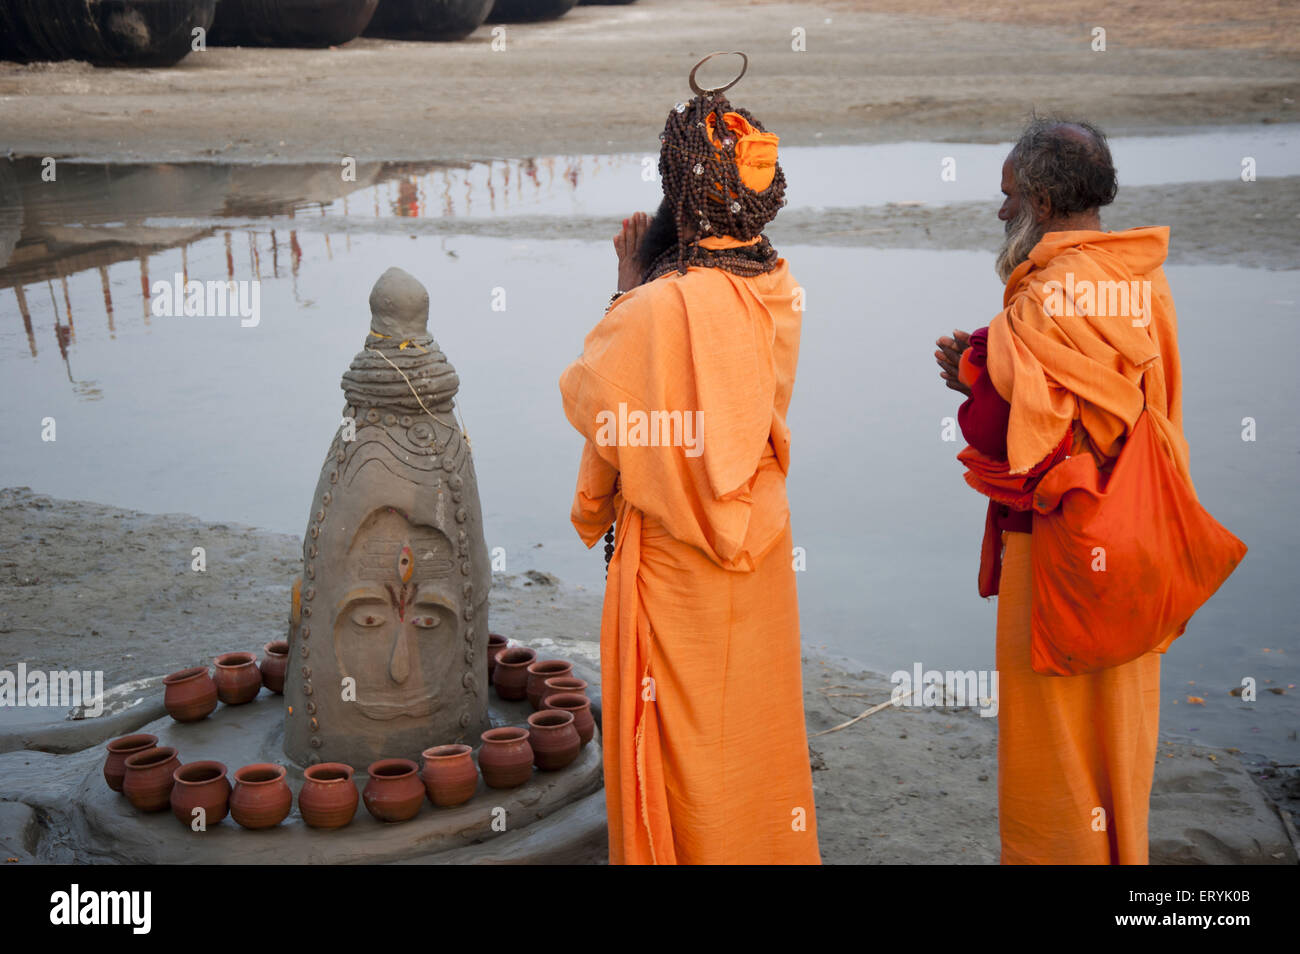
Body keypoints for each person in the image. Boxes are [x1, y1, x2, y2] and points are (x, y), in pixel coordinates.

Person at [558, 54, 821, 865]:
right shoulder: (780, 286)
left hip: (673, 569)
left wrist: (627, 285)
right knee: (751, 734)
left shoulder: (657, 307)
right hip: (760, 556)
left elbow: (592, 399)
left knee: (674, 755)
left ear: (685, 188)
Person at [935, 117, 1189, 864]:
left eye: (1009, 195)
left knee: (1052, 742)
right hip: (1143, 534)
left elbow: (1008, 439)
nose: (1001, 210)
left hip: (1059, 550)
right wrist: (990, 368)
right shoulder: (1141, 277)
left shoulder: (1045, 298)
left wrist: (971, 381)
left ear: (1042, 203)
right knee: (1119, 732)